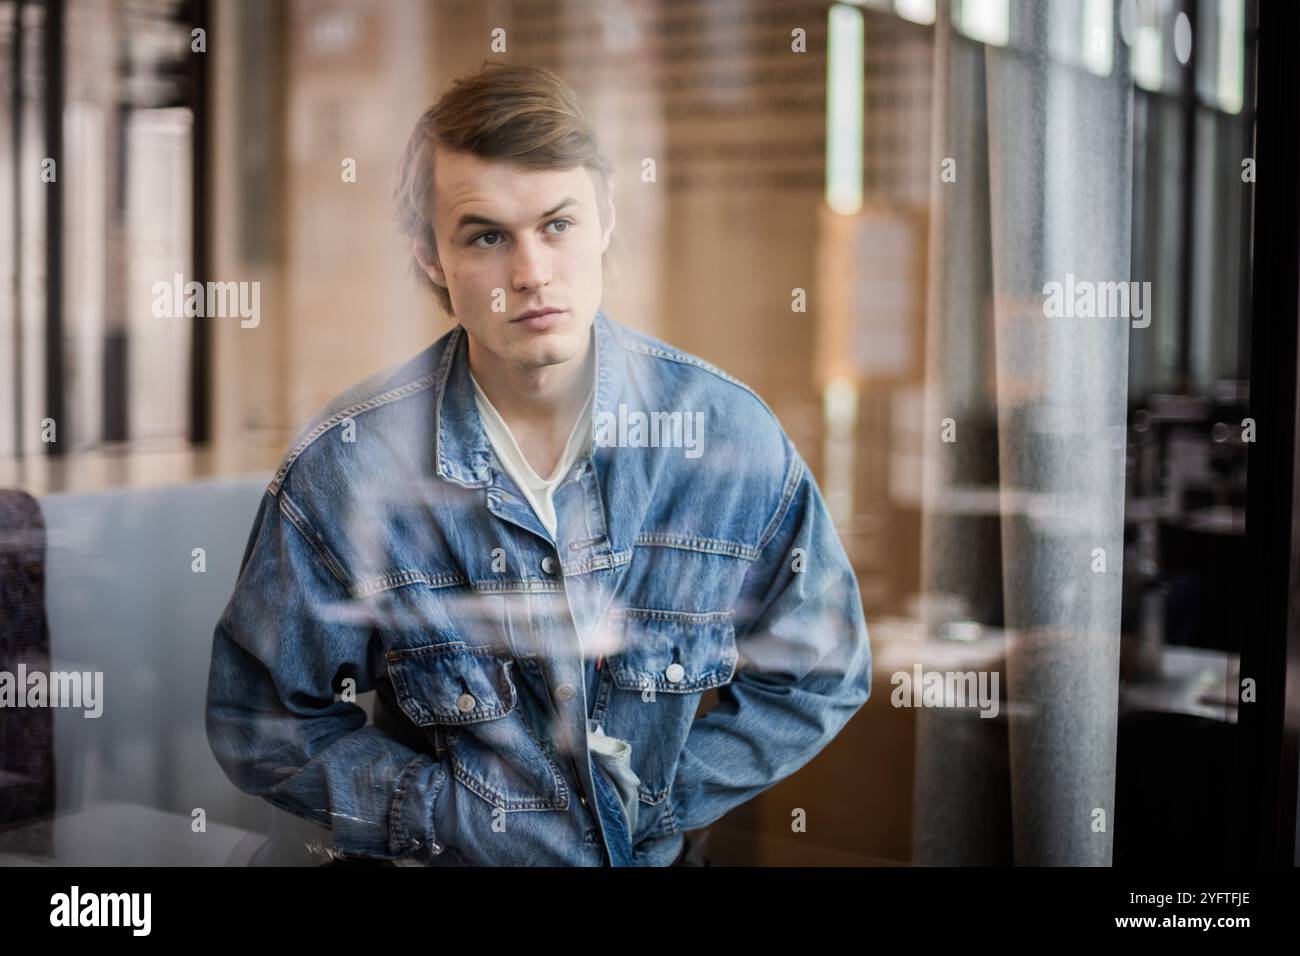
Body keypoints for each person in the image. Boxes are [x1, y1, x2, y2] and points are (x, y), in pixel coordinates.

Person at [205, 62, 872, 867]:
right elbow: (263, 719)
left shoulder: (727, 439)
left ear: (606, 219)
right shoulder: (347, 466)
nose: (531, 274)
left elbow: (821, 668)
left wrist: (643, 806)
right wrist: (450, 814)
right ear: (429, 257)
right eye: (487, 236)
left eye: (558, 224)